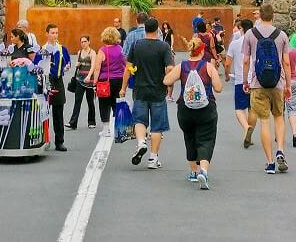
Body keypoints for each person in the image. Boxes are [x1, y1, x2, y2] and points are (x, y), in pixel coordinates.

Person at [163, 37, 223, 189]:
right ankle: (203, 170)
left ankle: (194, 172)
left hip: (185, 109)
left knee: (189, 138)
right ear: (202, 51)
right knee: (206, 139)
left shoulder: (182, 66)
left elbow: (166, 81)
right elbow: (218, 88)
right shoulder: (208, 67)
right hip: (206, 109)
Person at [241, 3, 291, 174]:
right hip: (278, 83)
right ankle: (280, 151)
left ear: (260, 16)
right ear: (273, 16)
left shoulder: (250, 34)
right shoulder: (282, 35)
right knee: (278, 117)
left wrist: (246, 81)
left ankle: (270, 162)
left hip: (258, 83)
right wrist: (288, 84)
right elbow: (286, 62)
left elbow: (246, 60)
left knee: (264, 121)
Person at [121, 17, 174, 169]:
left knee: (139, 120)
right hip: (158, 91)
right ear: (157, 30)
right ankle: (153, 158)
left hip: (140, 89)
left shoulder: (137, 45)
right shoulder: (164, 47)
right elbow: (169, 69)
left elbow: (128, 68)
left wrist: (123, 88)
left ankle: (141, 142)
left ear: (145, 29)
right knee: (157, 126)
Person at [85, 26, 126, 138]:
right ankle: (120, 129)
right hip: (119, 80)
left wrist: (95, 82)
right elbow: (125, 64)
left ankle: (106, 129)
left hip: (105, 80)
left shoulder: (103, 50)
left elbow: (97, 68)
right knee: (117, 104)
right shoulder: (121, 49)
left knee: (104, 104)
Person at [36, 24, 70, 152]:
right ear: (47, 34)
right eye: (52, 33)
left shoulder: (62, 49)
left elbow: (68, 62)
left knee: (58, 112)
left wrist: (67, 67)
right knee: (43, 112)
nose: (55, 35)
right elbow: (36, 66)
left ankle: (59, 141)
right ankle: (43, 139)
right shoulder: (42, 50)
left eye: (56, 33)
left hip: (58, 80)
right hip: (45, 81)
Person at [224, 17, 253, 146]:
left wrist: (227, 75)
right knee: (253, 109)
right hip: (255, 80)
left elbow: (227, 63)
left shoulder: (235, 44)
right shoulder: (256, 43)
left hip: (240, 79)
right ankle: (249, 131)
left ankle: (246, 127)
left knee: (239, 108)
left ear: (241, 28)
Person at [67, 35, 96, 130]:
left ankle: (91, 122)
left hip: (89, 80)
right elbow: (78, 65)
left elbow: (93, 66)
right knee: (77, 101)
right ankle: (73, 123)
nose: (83, 44)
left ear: (89, 42)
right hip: (79, 79)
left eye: (85, 41)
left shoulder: (92, 53)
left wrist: (89, 76)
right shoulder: (79, 52)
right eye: (82, 42)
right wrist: (77, 65)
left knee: (90, 101)